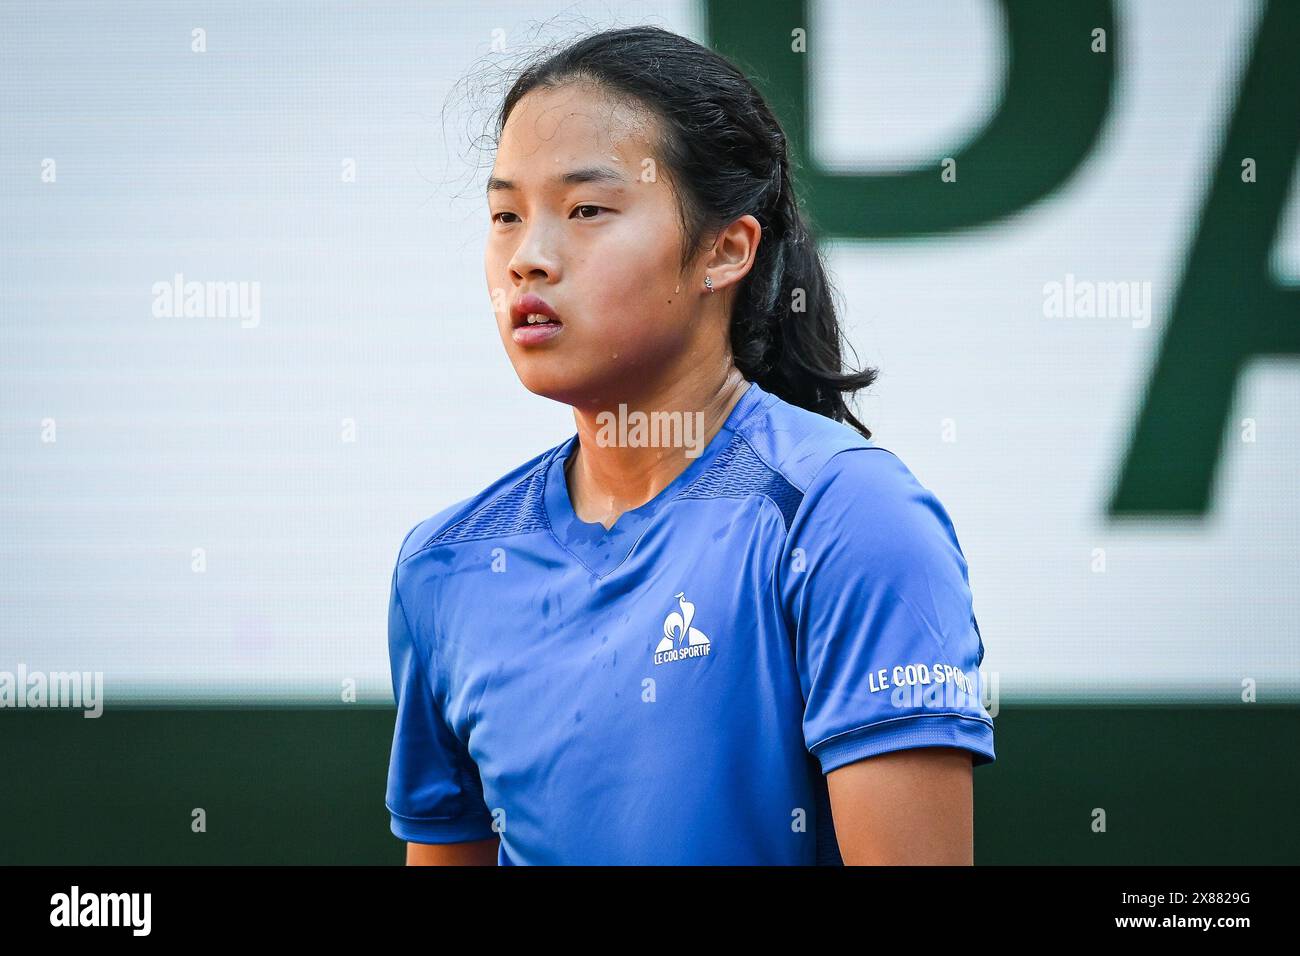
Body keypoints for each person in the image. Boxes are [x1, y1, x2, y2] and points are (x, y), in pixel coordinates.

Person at [385, 24, 994, 865]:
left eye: (586, 209)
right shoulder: (444, 567)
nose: (527, 257)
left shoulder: (846, 516)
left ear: (724, 249)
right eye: (505, 215)